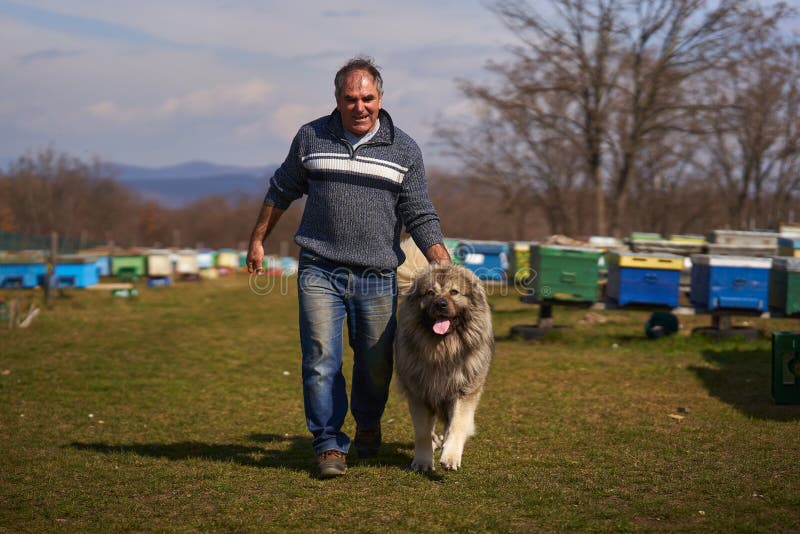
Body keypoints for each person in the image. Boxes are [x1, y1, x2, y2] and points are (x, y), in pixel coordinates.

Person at [246, 57, 450, 478]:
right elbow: (281, 190)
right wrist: (257, 240)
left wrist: (441, 260)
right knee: (321, 356)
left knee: (375, 364)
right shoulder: (311, 137)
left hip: (377, 274)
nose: (359, 107)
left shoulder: (404, 149)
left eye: (367, 98)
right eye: (350, 98)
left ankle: (369, 424)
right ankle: (328, 444)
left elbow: (419, 211)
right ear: (337, 99)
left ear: (381, 97)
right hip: (320, 267)